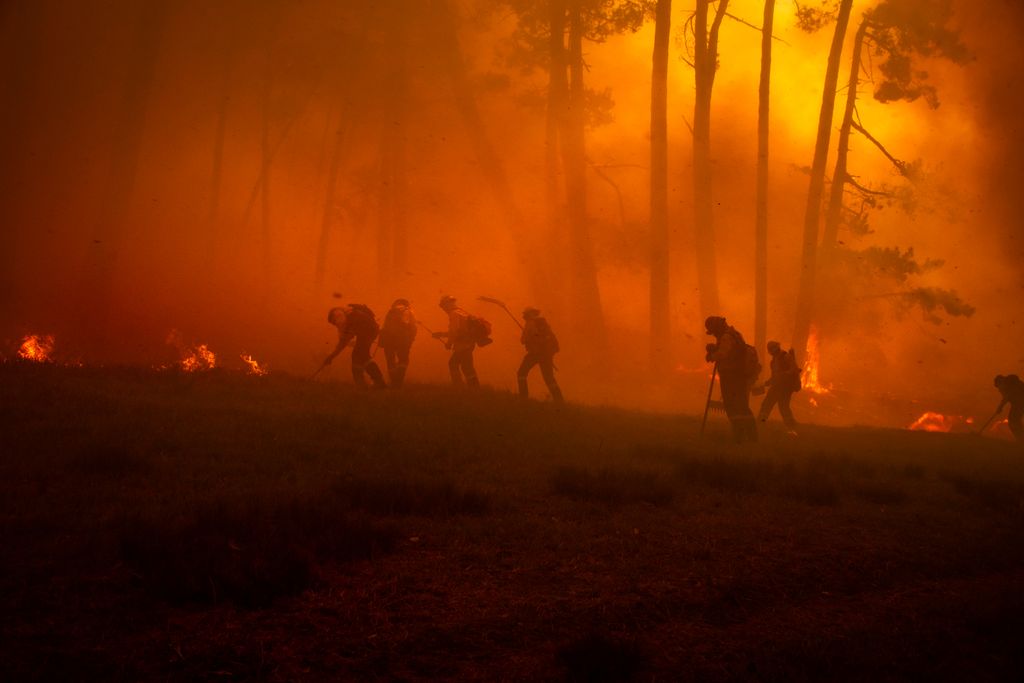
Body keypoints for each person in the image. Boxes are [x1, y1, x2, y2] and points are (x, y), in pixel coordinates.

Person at [704, 315, 758, 443]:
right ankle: (749, 436)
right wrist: (715, 348)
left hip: (731, 376)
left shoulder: (726, 337)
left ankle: (740, 436)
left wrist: (712, 355)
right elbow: (732, 351)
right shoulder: (734, 334)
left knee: (733, 406)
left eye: (713, 331)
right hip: (737, 375)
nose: (713, 335)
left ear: (717, 328)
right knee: (741, 406)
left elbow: (724, 354)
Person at [322, 304, 387, 389]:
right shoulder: (349, 314)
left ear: (335, 317)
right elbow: (344, 340)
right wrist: (331, 357)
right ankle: (374, 382)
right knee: (362, 356)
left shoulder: (344, 319)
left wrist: (331, 357)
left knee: (359, 355)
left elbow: (343, 343)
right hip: (371, 330)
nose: (336, 324)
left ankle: (364, 384)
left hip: (367, 332)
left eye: (334, 322)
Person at [432, 295, 481, 387]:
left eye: (443, 306)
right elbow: (458, 331)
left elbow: (454, 331)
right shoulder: (461, 312)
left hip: (463, 345)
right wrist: (441, 334)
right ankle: (474, 388)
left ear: (448, 304)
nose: (443, 309)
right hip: (469, 343)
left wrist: (449, 344)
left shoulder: (454, 314)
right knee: (466, 366)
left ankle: (460, 387)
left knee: (455, 364)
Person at [517, 307, 563, 403]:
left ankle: (523, 397)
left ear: (529, 314)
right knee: (549, 378)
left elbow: (523, 340)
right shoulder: (543, 323)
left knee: (521, 373)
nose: (523, 316)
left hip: (535, 354)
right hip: (546, 354)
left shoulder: (530, 323)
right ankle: (559, 400)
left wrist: (528, 337)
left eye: (525, 314)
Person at [758, 341, 799, 432]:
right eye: (770, 350)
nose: (771, 352)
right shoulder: (773, 361)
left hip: (785, 386)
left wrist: (784, 375)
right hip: (777, 386)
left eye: (772, 349)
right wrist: (767, 382)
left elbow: (794, 369)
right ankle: (761, 423)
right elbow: (774, 375)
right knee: (769, 405)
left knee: (780, 406)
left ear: (776, 348)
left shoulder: (786, 357)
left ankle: (791, 426)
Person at [379, 298, 417, 388]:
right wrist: (411, 340)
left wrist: (382, 341)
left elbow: (384, 328)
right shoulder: (409, 311)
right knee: (403, 360)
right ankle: (398, 382)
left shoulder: (391, 311)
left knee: (390, 360)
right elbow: (413, 327)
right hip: (403, 339)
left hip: (389, 340)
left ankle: (393, 381)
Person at [993, 374, 1024, 441]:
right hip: (1018, 404)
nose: (999, 390)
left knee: (1013, 420)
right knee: (1015, 420)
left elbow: (1006, 397)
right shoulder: (1013, 384)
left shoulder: (1005, 385)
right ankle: (1020, 438)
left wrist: (1000, 407)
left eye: (998, 387)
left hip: (1019, 404)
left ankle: (1020, 439)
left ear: (999, 382)